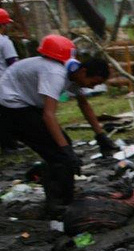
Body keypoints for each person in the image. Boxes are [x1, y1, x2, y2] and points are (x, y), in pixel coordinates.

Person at [0, 35, 114, 213]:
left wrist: (100, 135)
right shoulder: (54, 73)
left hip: (23, 103)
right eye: (94, 82)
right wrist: (66, 150)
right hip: (10, 107)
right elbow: (49, 115)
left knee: (59, 149)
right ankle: (59, 204)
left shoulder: (73, 71)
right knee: (60, 154)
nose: (92, 87)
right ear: (84, 72)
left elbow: (84, 104)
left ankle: (61, 196)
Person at [0, 8, 21, 154]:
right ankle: (10, 144)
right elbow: (13, 64)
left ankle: (7, 143)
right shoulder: (4, 42)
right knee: (7, 114)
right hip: (4, 82)